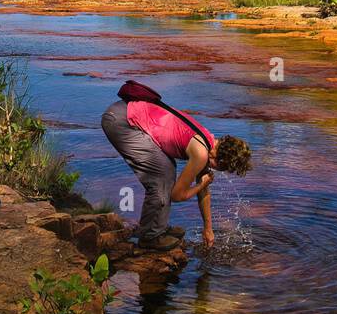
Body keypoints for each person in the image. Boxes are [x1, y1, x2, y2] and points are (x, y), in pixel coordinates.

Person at [101, 97, 251, 250]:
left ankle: (157, 227)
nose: (218, 171)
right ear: (218, 160)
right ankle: (150, 237)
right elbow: (177, 195)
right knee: (163, 173)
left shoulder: (209, 140)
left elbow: (204, 191)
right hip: (121, 122)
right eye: (222, 168)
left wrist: (208, 229)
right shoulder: (201, 153)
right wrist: (200, 185)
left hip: (124, 112)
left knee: (166, 167)